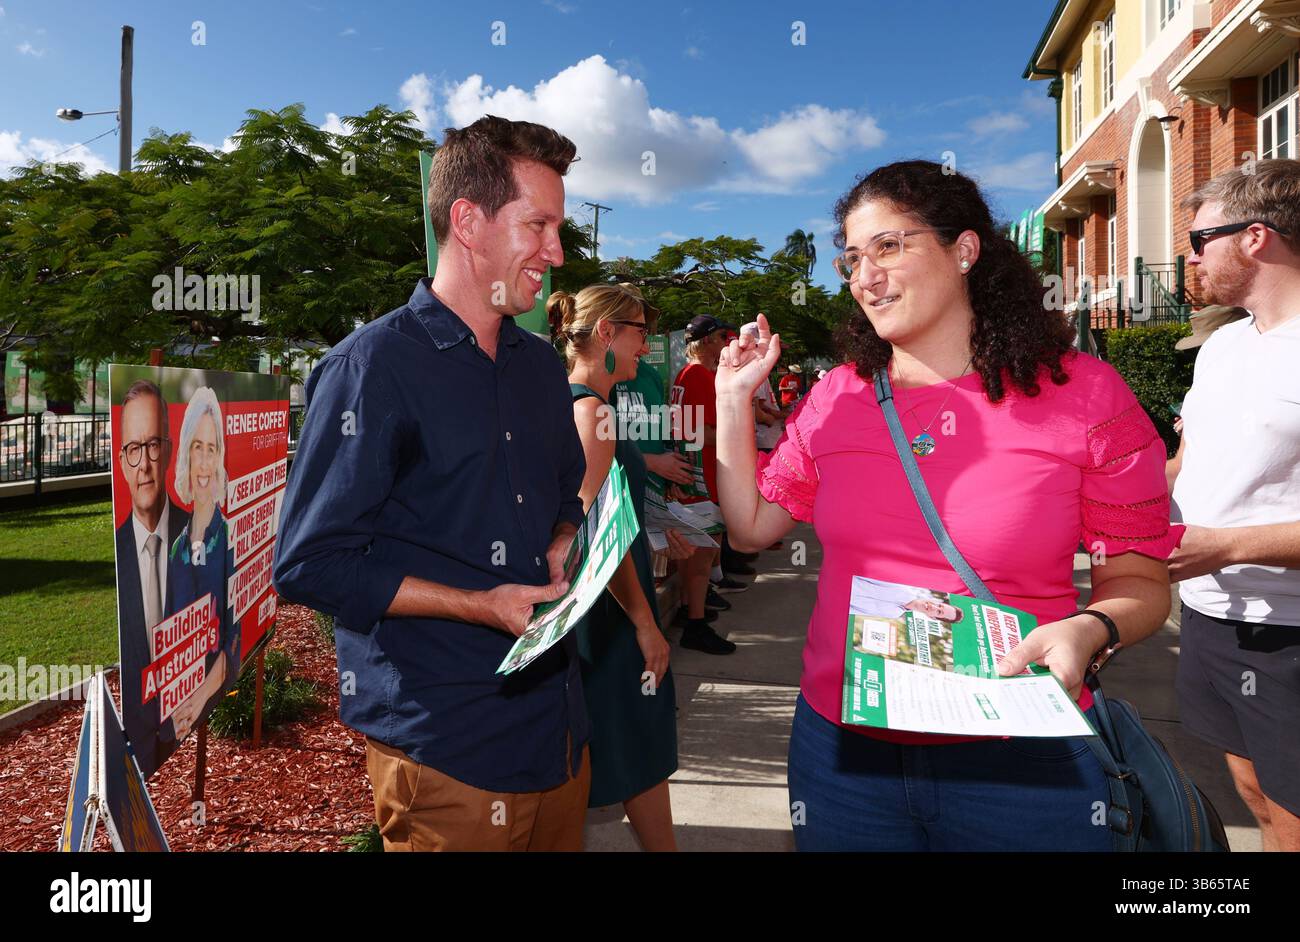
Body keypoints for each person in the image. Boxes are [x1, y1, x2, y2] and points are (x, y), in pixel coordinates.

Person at [714, 159, 1179, 851]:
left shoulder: (1084, 395)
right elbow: (751, 528)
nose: (864, 274)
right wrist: (730, 398)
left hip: (1021, 752)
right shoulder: (837, 396)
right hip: (843, 752)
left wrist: (1089, 631)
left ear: (964, 250)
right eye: (850, 259)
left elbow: (1141, 584)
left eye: (889, 246)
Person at [272, 116, 591, 852]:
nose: (558, 251)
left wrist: (567, 537)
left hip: (562, 736)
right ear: (468, 221)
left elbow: (566, 495)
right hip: (449, 754)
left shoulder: (541, 368)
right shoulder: (370, 367)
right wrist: (482, 607)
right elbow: (309, 564)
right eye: (538, 225)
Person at [1166, 160, 1300, 851]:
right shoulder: (1220, 345)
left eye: (1198, 240)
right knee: (1256, 797)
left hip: (1288, 633)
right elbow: (1191, 465)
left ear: (1255, 237)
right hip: (1212, 615)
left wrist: (1228, 547)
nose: (1189, 258)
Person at [549, 283, 684, 851]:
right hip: (609, 612)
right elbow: (590, 542)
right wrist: (646, 625)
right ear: (605, 333)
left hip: (606, 605)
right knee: (634, 741)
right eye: (638, 332)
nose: (645, 345)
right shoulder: (592, 410)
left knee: (618, 745)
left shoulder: (580, 402)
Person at [114, 379, 190, 778]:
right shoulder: (117, 553)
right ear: (122, 460)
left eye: (153, 445)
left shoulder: (203, 538)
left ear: (170, 451)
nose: (143, 464)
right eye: (133, 449)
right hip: (141, 755)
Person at [165, 386, 240, 742]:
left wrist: (197, 701)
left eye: (213, 449)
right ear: (186, 455)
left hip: (202, 698)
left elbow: (233, 639)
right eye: (198, 448)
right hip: (177, 705)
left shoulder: (228, 537)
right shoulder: (176, 549)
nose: (206, 462)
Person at [670, 315, 742, 654]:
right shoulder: (698, 374)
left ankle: (690, 610)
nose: (727, 341)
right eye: (722, 336)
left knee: (695, 554)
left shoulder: (686, 374)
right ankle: (695, 625)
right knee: (700, 556)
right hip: (702, 477)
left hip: (692, 475)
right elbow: (694, 431)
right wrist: (734, 431)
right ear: (709, 340)